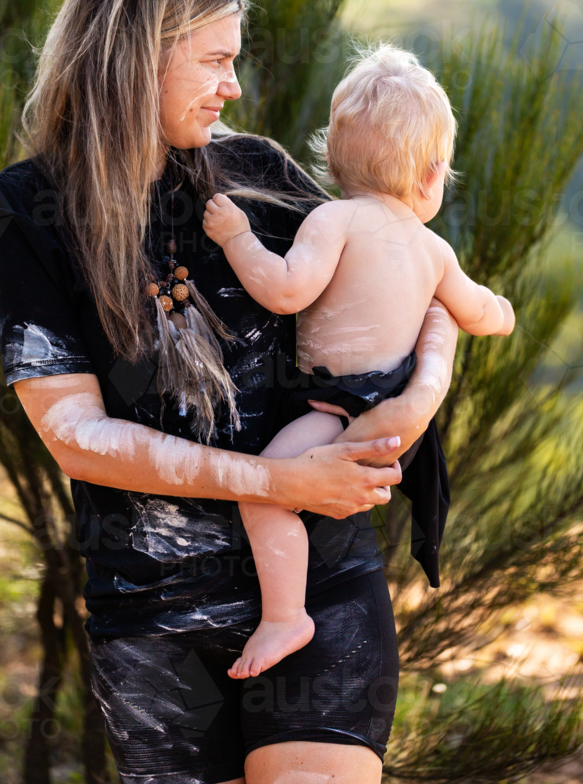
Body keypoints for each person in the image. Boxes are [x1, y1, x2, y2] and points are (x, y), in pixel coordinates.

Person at [0, 0, 459, 784]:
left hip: (319, 582)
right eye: (215, 61)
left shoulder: (259, 174)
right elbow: (76, 436)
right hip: (153, 609)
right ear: (137, 57)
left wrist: (419, 401)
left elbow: (424, 289)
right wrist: (274, 484)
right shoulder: (26, 210)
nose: (233, 87)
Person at [203, 43, 515, 680]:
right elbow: (478, 313)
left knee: (265, 493)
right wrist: (504, 313)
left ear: (334, 158)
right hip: (394, 417)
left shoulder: (333, 218)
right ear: (432, 176)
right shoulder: (434, 251)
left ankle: (287, 615)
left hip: (339, 408)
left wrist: (238, 237)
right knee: (316, 501)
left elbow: (285, 289)